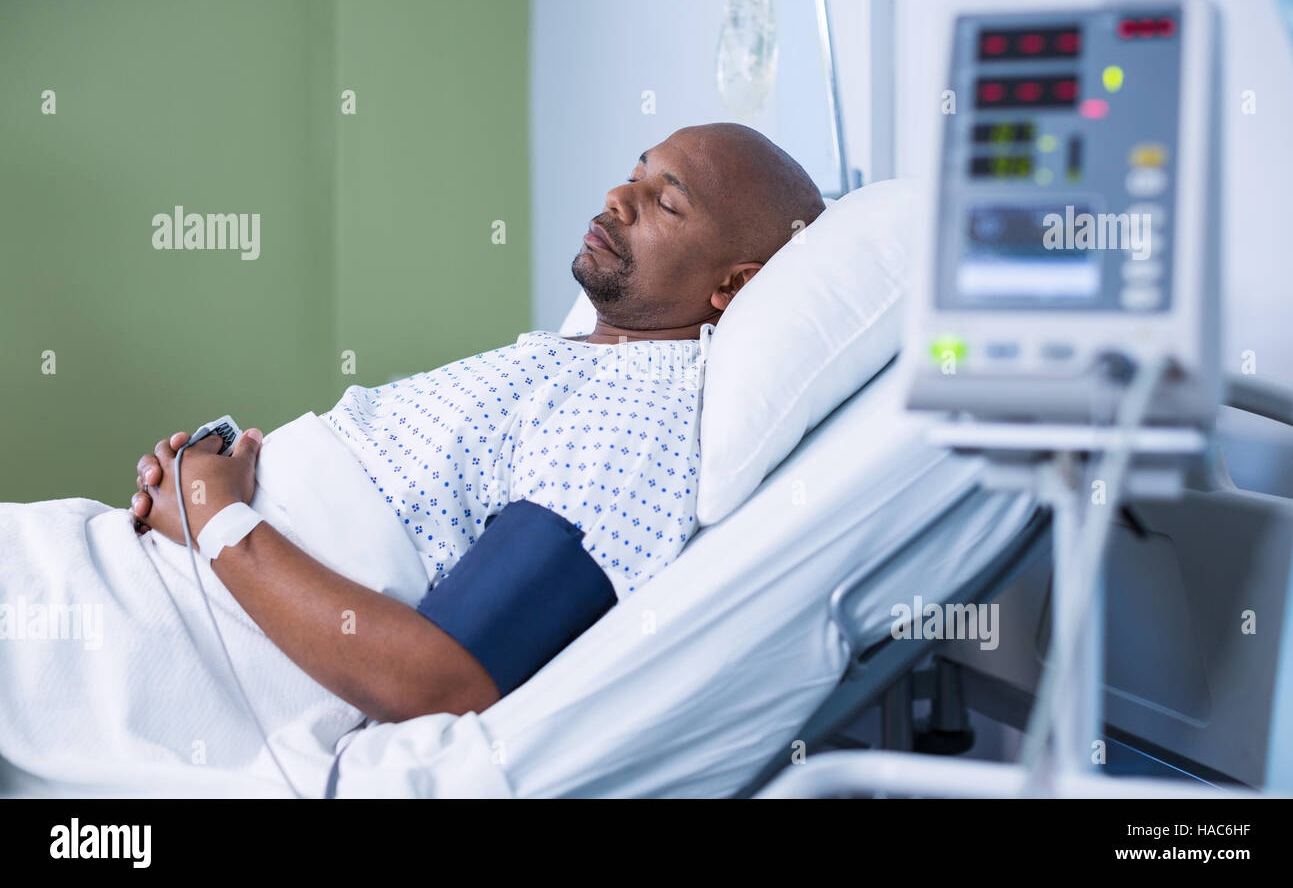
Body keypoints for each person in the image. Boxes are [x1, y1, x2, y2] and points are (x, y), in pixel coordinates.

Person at [126, 122, 825, 724]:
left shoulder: (638, 421)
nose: (619, 198)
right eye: (635, 174)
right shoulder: (585, 362)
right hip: (151, 575)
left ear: (732, 285)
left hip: (171, 635)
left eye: (666, 202)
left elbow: (441, 678)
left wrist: (214, 516)